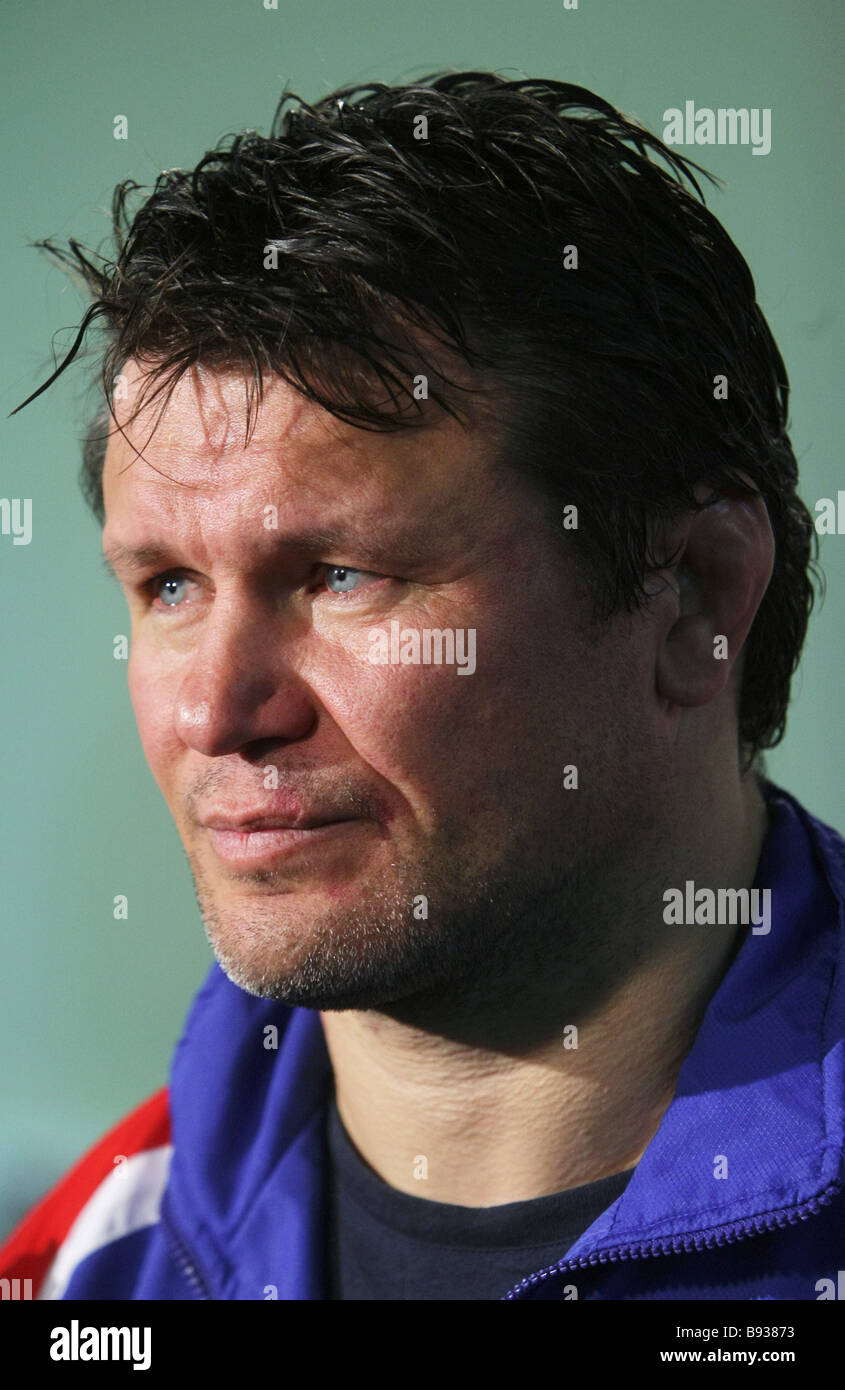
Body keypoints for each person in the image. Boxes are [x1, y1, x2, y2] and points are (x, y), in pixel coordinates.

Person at [1, 71, 842, 1302]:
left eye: (341, 575)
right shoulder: (82, 1276)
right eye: (170, 585)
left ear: (698, 598)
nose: (213, 713)